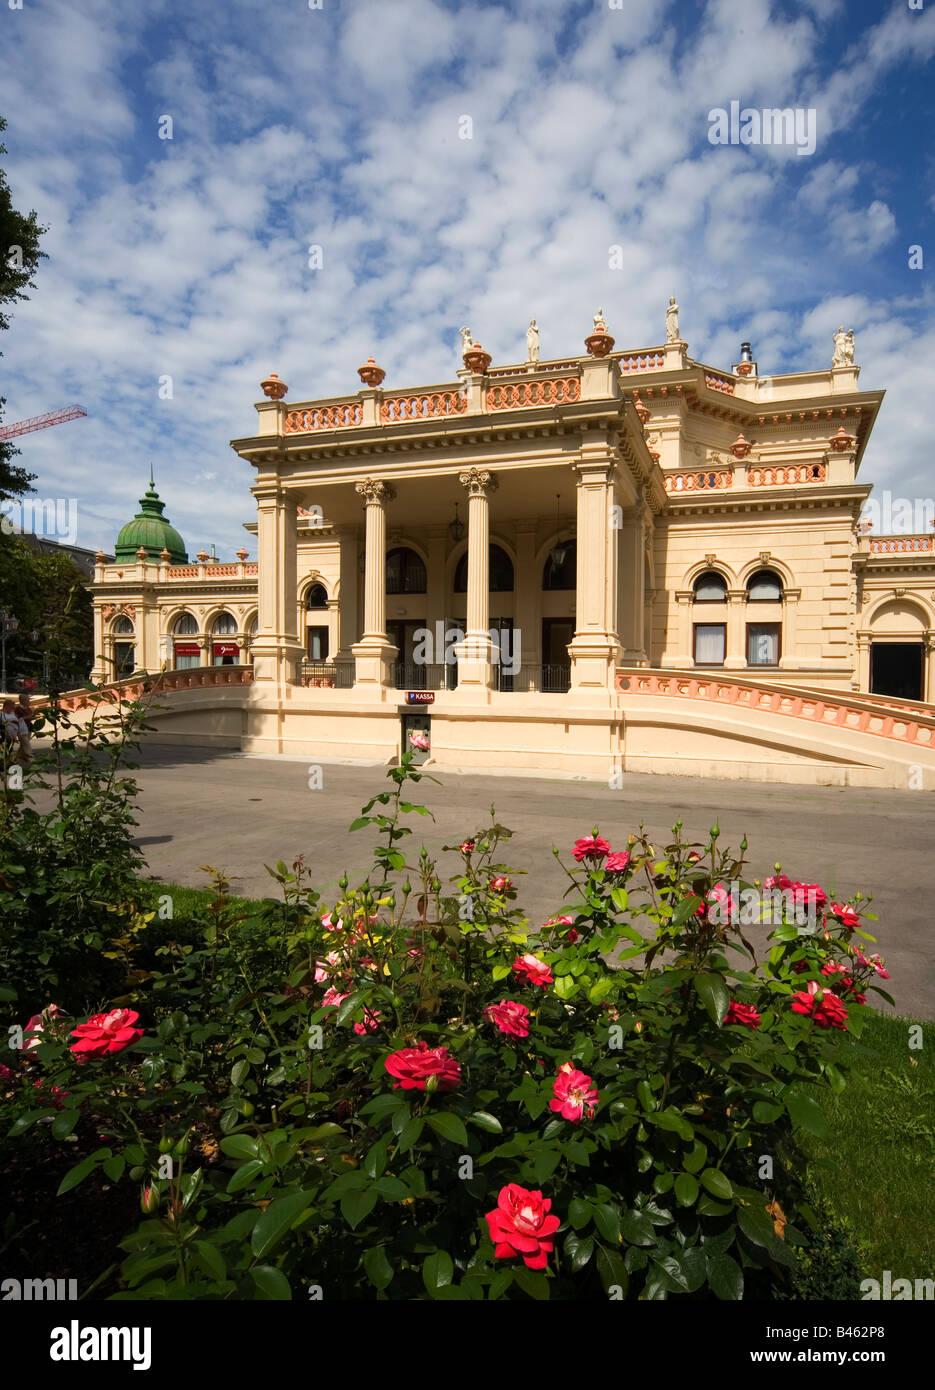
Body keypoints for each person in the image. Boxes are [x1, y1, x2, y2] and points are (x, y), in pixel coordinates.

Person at [13, 692, 33, 764]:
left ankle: (16, 759)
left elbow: (31, 717)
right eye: (28, 700)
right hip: (21, 730)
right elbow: (16, 719)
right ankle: (31, 759)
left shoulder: (28, 708)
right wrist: (28, 717)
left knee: (23, 745)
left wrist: (33, 717)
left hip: (29, 728)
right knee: (26, 744)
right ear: (23, 700)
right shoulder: (17, 709)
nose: (29, 701)